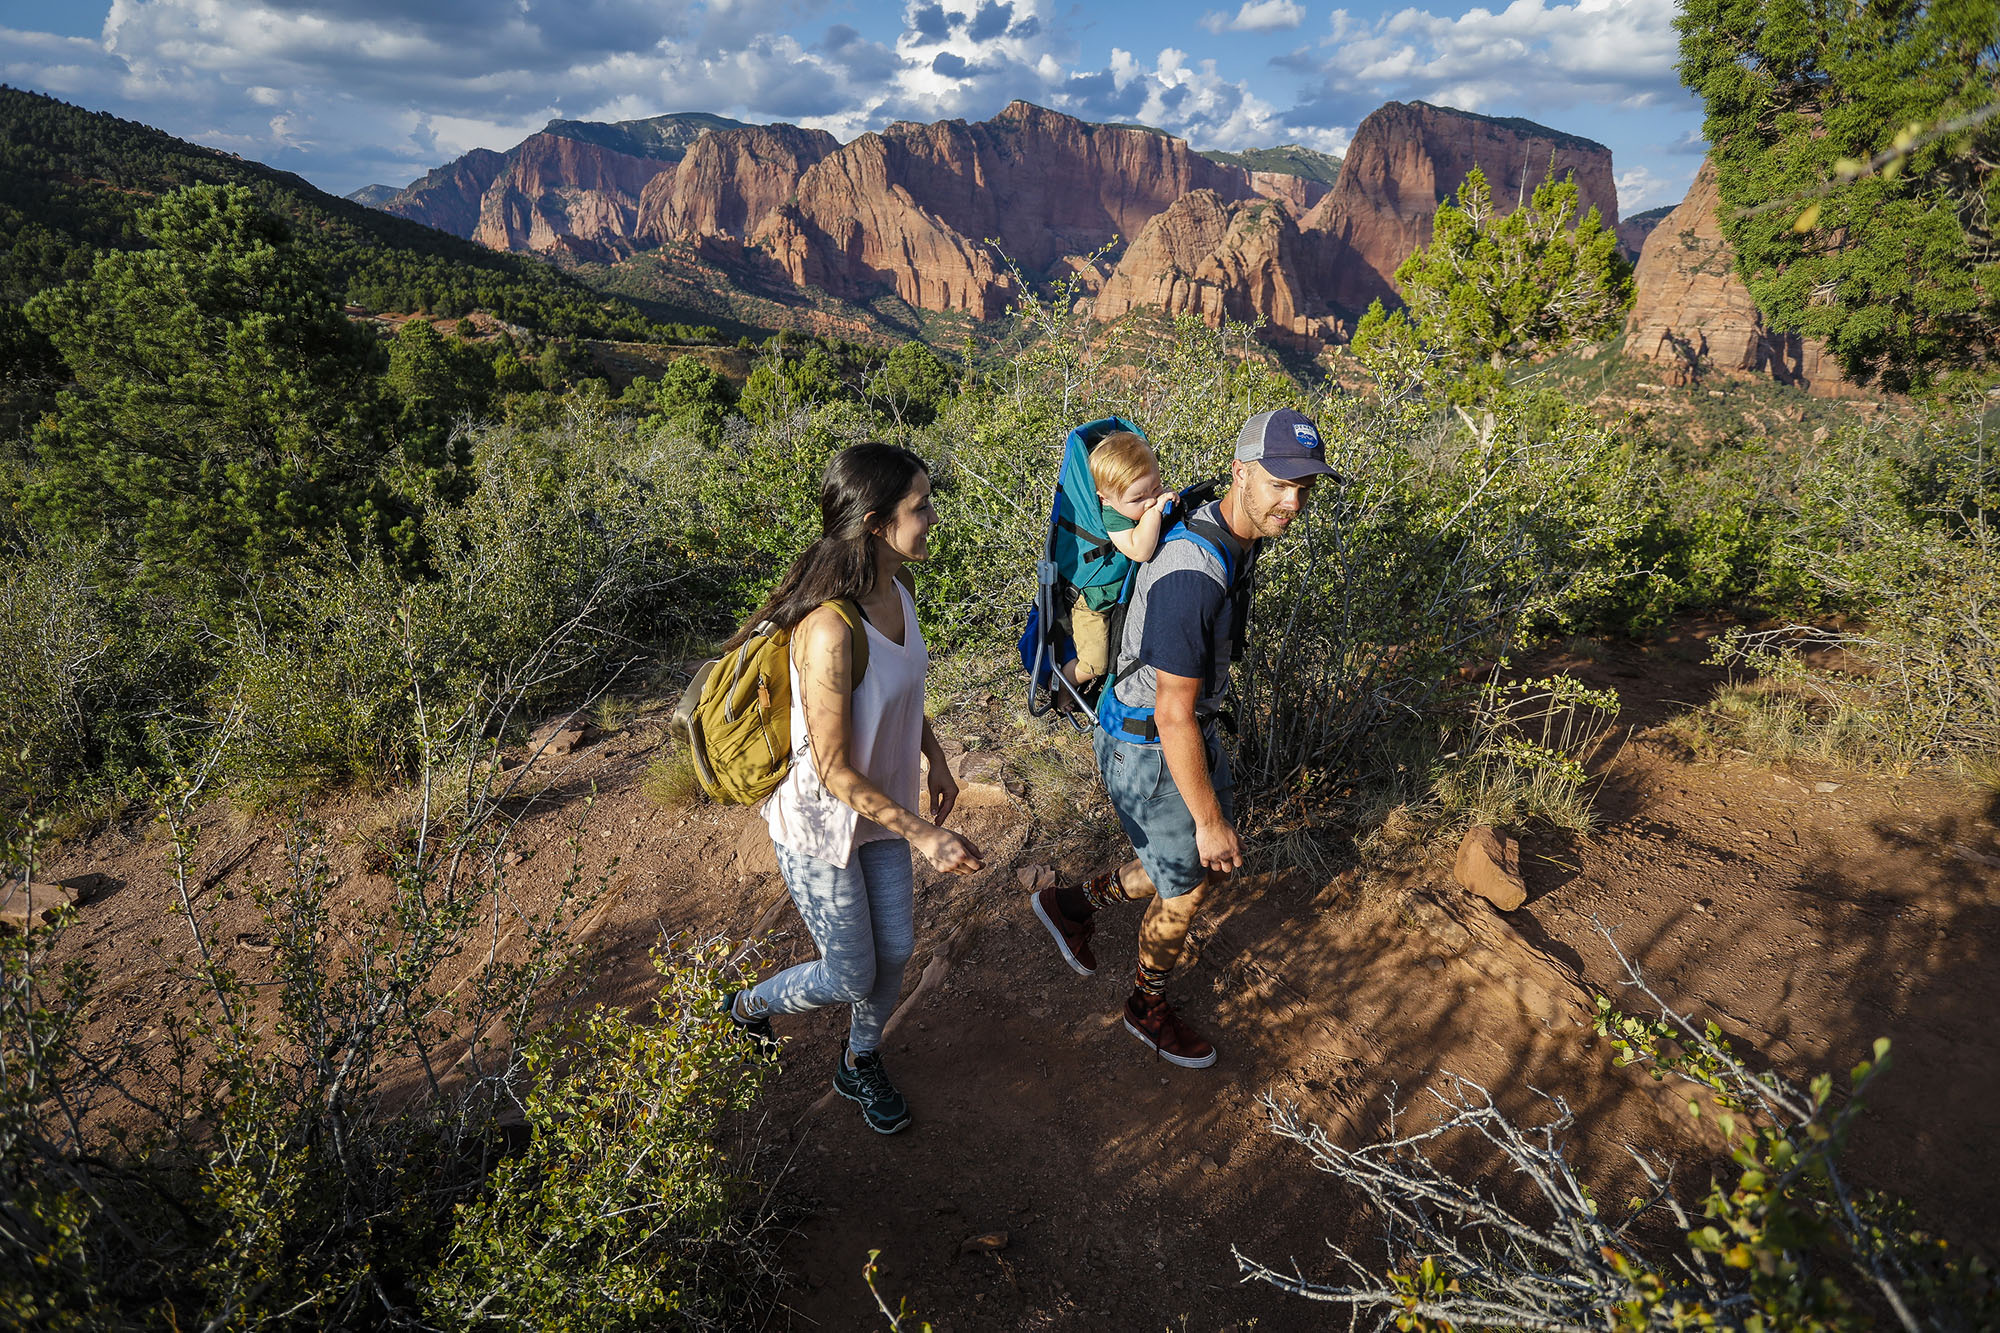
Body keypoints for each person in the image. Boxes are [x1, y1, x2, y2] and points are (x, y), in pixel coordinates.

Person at [1030, 408, 1331, 1068]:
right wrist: (1210, 819)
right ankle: (1146, 1006)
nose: (1293, 501)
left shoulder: (1230, 530)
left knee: (1186, 867)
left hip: (1176, 734)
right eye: (1280, 483)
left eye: (1304, 486)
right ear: (1240, 474)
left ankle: (1070, 904)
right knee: (1188, 887)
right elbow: (1172, 713)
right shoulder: (1194, 571)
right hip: (1151, 746)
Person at [720, 443, 984, 1133]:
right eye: (920, 506)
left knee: (894, 951)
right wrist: (925, 835)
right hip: (821, 823)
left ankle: (859, 1059)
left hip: (883, 809)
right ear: (875, 523)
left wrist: (936, 758)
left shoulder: (900, 590)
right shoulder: (829, 630)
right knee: (848, 972)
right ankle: (746, 1006)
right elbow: (834, 769)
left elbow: (904, 689)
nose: (932, 517)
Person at [1058, 431, 1177, 701]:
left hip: (1117, 598)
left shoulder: (1131, 504)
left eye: (1156, 488)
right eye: (1138, 499)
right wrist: (1155, 511)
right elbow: (1140, 550)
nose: (1149, 500)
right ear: (1105, 499)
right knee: (1095, 663)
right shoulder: (1114, 518)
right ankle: (1063, 686)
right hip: (1092, 604)